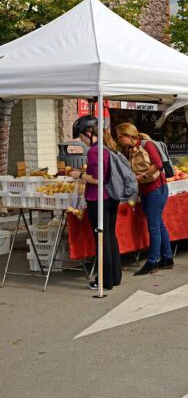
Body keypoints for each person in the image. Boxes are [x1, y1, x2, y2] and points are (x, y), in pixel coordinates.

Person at [116, 123, 174, 275]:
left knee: (153, 227)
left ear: (128, 135)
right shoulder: (128, 149)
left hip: (156, 189)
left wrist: (143, 176)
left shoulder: (147, 144)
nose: (119, 140)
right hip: (146, 190)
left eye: (120, 136)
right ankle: (167, 258)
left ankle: (152, 261)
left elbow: (158, 164)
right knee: (159, 225)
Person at [70, 116, 121, 290]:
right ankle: (115, 276)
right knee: (110, 236)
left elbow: (97, 179)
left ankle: (104, 281)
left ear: (89, 133)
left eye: (82, 137)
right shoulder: (107, 147)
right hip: (112, 197)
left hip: (98, 198)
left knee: (101, 239)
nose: (82, 141)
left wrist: (80, 176)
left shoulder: (94, 151)